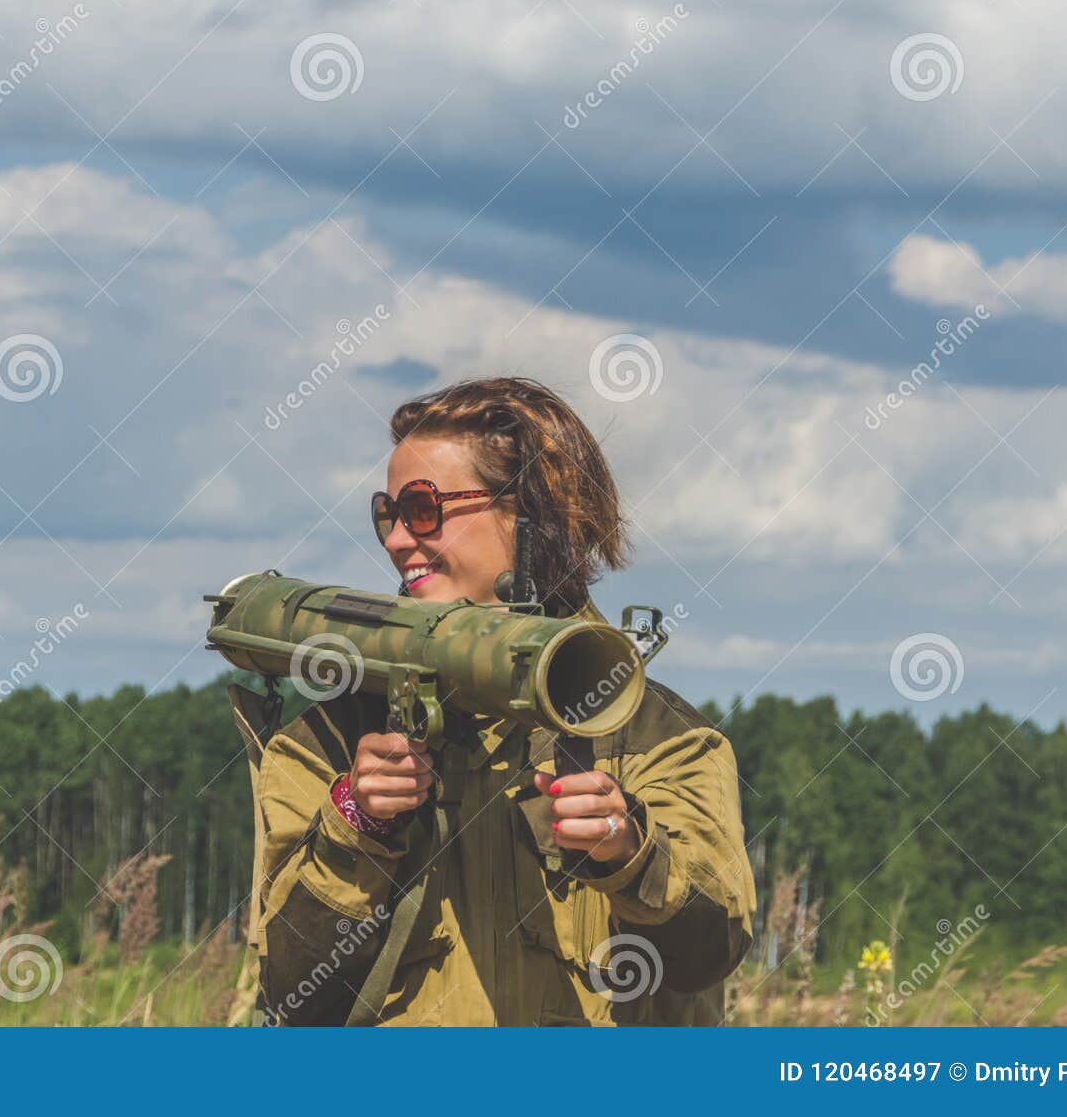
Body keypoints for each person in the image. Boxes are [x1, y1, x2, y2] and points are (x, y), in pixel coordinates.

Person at [252, 376, 756, 1025]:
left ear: (536, 515)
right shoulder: (333, 737)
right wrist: (357, 823)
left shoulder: (657, 735)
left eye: (424, 508)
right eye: (389, 514)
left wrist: (631, 852)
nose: (399, 539)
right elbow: (291, 993)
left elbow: (708, 954)